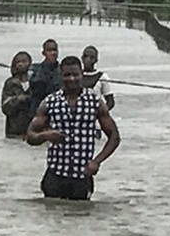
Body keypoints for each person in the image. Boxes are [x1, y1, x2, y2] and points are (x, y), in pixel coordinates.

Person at [26, 56, 121, 200]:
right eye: (67, 75)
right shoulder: (50, 102)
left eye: (75, 74)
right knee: (52, 216)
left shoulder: (95, 102)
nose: (71, 79)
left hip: (81, 177)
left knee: (81, 215)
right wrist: (45, 136)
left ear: (81, 74)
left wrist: (96, 162)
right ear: (61, 75)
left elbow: (114, 137)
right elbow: (30, 135)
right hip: (55, 175)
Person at [1, 51, 33, 138]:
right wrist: (18, 99)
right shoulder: (10, 83)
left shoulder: (35, 82)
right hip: (14, 132)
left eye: (24, 61)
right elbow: (5, 108)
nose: (20, 64)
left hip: (33, 131)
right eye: (18, 62)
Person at [27, 39, 62, 118]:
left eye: (55, 50)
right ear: (44, 53)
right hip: (38, 110)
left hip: (57, 111)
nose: (53, 53)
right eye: (49, 50)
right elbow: (34, 86)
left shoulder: (62, 70)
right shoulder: (35, 69)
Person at [80, 45, 115, 111]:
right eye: (85, 56)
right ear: (82, 58)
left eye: (91, 57)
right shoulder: (76, 76)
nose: (88, 59)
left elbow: (110, 102)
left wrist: (101, 113)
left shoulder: (102, 77)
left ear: (96, 60)